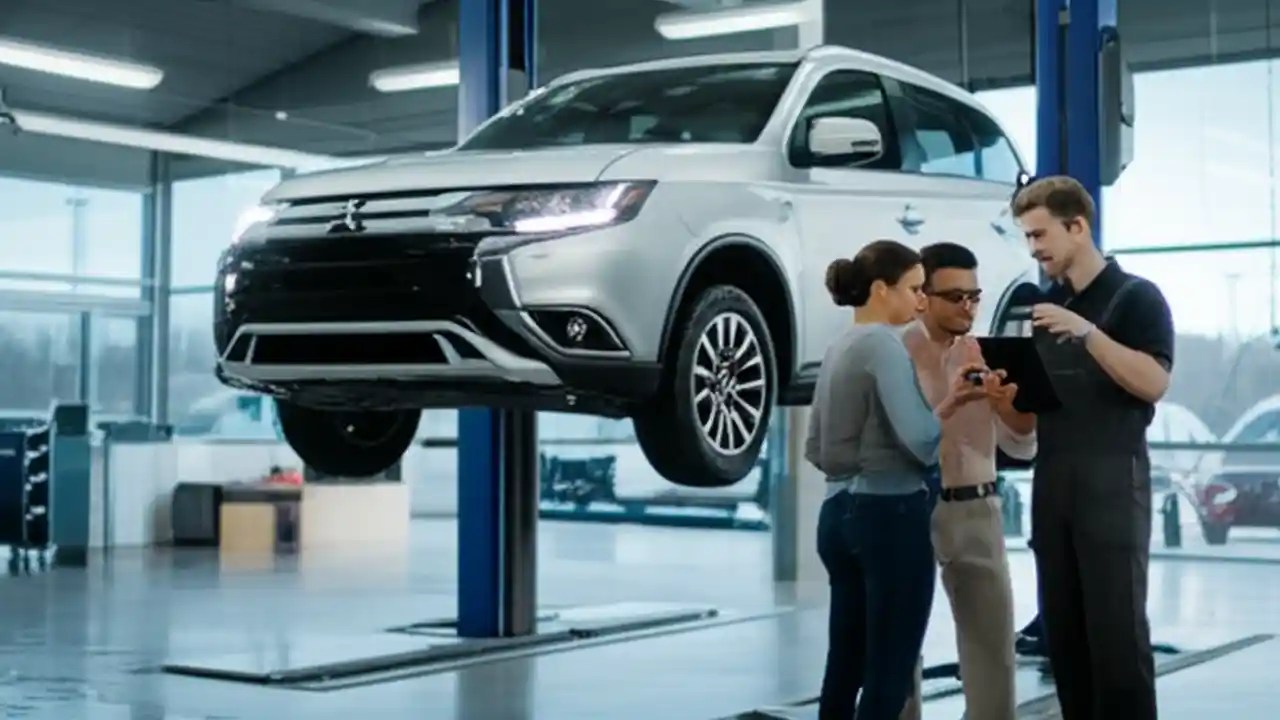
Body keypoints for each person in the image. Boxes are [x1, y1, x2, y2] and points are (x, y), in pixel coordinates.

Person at [805, 239, 989, 720]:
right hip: (890, 517)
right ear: (882, 289)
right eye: (913, 289)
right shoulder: (884, 346)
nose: (920, 301)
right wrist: (937, 425)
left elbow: (814, 447)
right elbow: (921, 440)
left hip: (836, 516)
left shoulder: (839, 346)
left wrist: (947, 402)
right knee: (889, 671)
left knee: (844, 664)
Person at [1012, 175, 1174, 720]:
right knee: (1066, 641)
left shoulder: (1137, 298)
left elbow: (1152, 382)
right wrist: (996, 393)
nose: (1034, 249)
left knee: (1117, 639)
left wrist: (1087, 333)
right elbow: (1030, 416)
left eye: (1040, 235)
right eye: (1027, 239)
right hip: (1053, 481)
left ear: (1077, 226)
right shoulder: (1047, 307)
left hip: (1112, 482)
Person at [898, 242, 1037, 720]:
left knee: (992, 645)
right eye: (955, 296)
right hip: (912, 504)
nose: (968, 307)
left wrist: (1007, 409)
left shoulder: (993, 351)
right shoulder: (894, 352)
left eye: (974, 296)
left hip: (978, 505)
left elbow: (1024, 446)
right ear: (923, 296)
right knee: (898, 642)